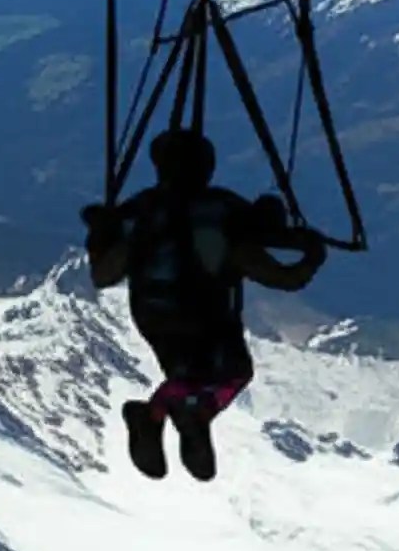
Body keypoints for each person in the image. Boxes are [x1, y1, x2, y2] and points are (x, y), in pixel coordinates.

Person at [82, 128, 328, 482]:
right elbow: (282, 277)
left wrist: (102, 234)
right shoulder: (223, 212)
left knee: (188, 373)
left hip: (153, 316)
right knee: (233, 371)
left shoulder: (139, 212)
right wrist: (311, 256)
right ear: (207, 168)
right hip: (206, 316)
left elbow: (103, 275)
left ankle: (160, 415)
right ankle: (181, 414)